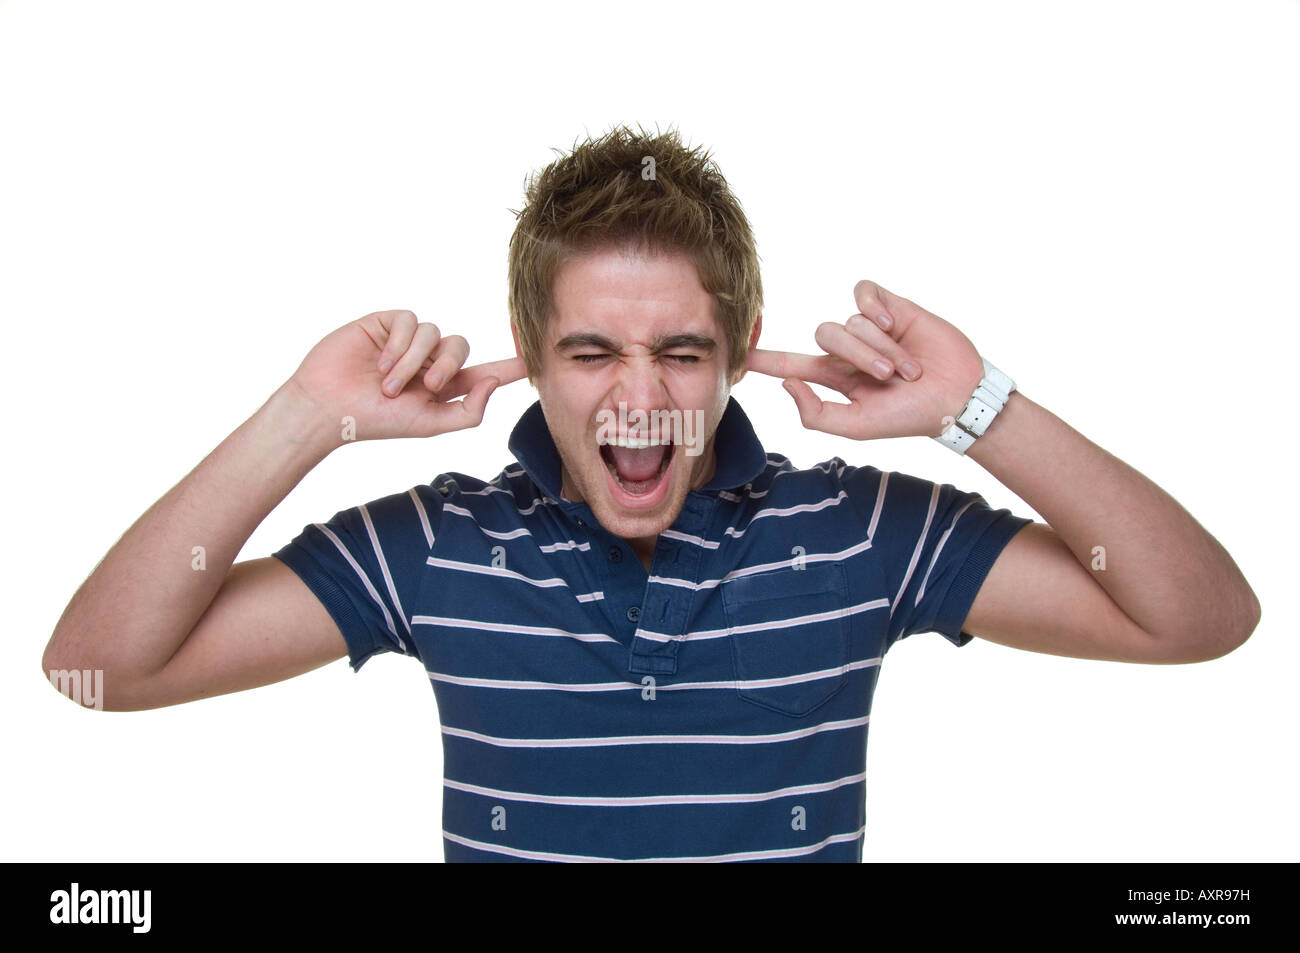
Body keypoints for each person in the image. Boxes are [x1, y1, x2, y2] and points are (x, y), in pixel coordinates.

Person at [43, 126, 1260, 862]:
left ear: (738, 351)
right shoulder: (435, 544)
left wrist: (975, 409)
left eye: (680, 349)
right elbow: (100, 666)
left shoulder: (862, 527)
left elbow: (1197, 618)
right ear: (525, 346)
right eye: (589, 352)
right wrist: (306, 420)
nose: (639, 395)